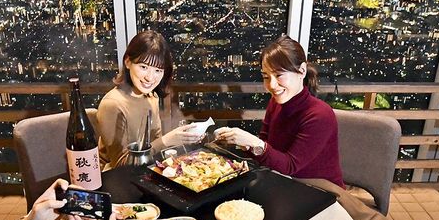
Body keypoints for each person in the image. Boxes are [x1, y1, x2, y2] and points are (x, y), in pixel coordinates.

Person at [214, 35, 345, 187]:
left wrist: (254, 143)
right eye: (266, 77)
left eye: (278, 75)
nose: (272, 85)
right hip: (282, 180)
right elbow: (265, 148)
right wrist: (240, 141)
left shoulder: (320, 115)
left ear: (301, 71)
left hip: (319, 190)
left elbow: (290, 166)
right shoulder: (275, 103)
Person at [97, 30, 202, 167]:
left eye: (158, 70)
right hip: (114, 178)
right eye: (144, 67)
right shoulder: (112, 104)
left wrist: (181, 137)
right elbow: (120, 165)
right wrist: (167, 140)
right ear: (128, 62)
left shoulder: (151, 96)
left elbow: (154, 144)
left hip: (146, 169)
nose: (150, 78)